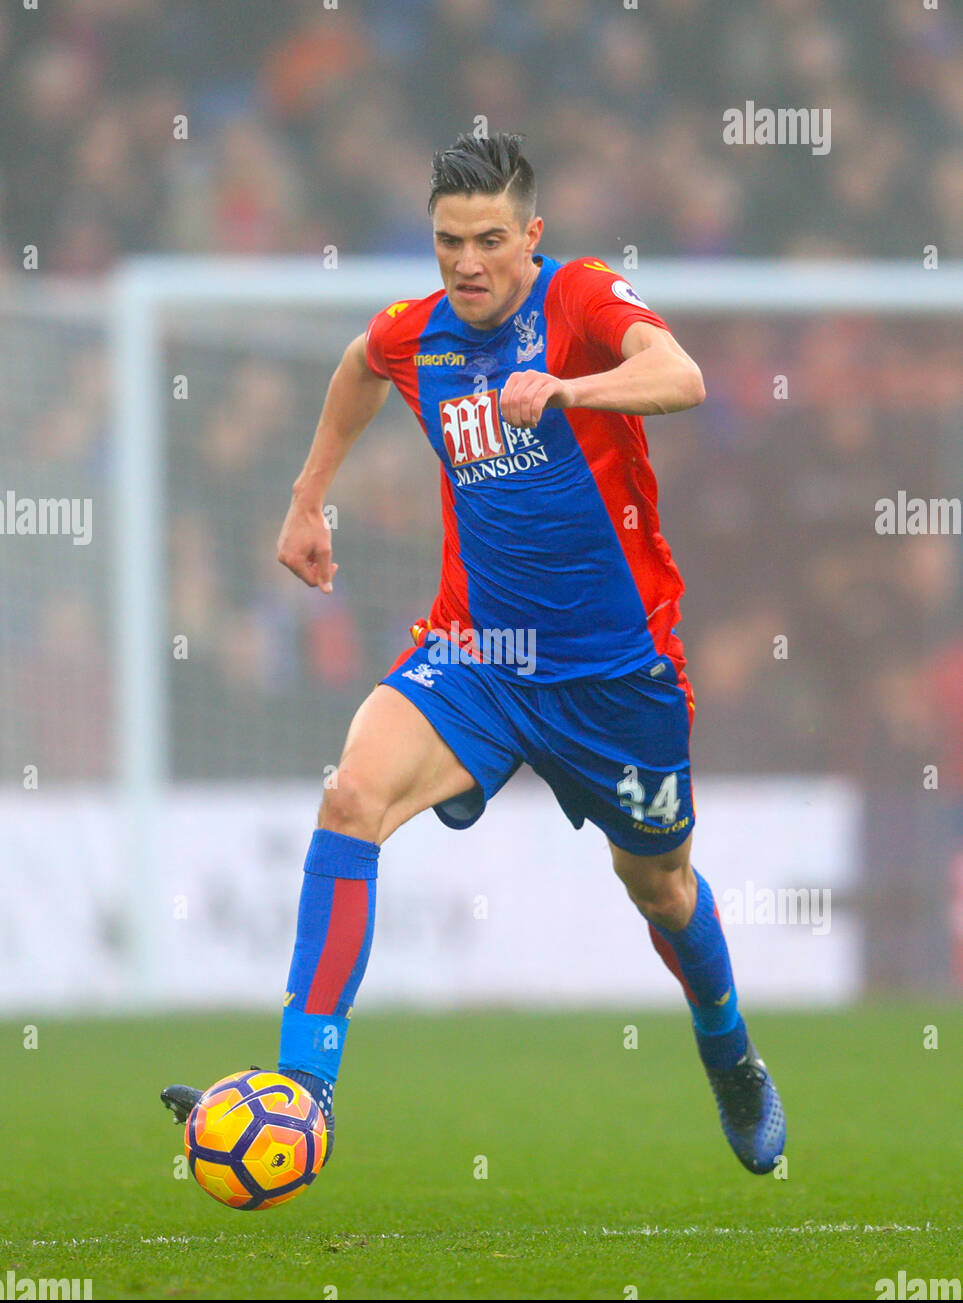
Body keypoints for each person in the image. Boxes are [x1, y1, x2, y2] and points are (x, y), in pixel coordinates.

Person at [162, 133, 785, 1177]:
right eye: (449, 240)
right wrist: (308, 495)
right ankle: (304, 1089)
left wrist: (570, 389)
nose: (467, 263)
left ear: (530, 237)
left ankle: (729, 1050)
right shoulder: (423, 334)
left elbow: (680, 376)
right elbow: (363, 361)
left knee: (661, 886)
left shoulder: (581, 299)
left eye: (491, 240)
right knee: (352, 795)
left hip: (614, 674)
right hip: (479, 653)